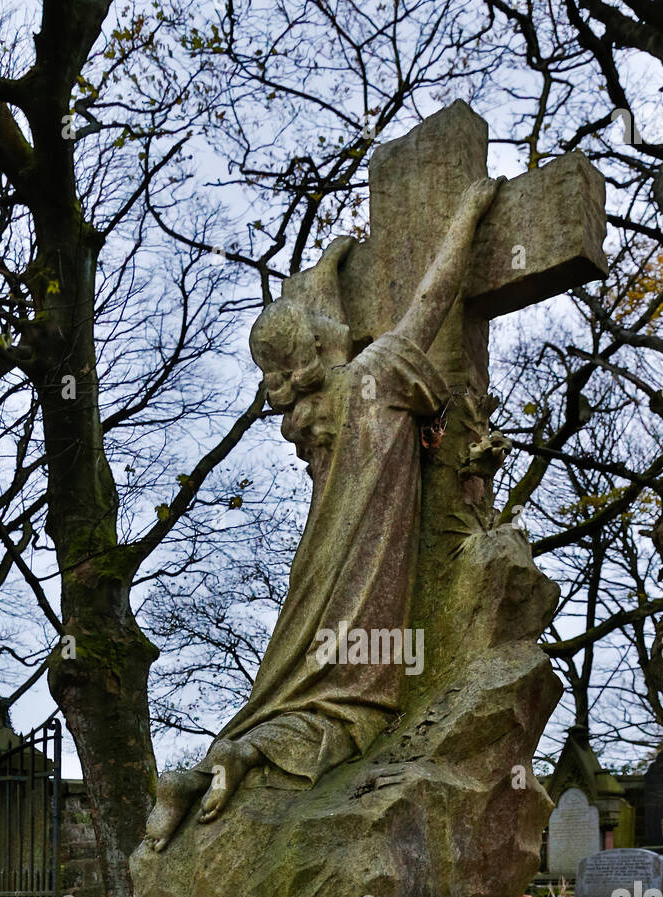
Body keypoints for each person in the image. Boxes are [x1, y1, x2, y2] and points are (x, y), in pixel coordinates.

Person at [145, 176, 503, 852]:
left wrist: (330, 270)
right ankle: (245, 756)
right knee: (348, 705)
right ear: (319, 346)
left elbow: (324, 325)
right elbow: (433, 295)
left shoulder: (315, 415)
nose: (341, 318)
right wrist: (468, 211)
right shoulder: (381, 374)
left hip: (315, 569)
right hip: (366, 571)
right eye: (328, 318)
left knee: (287, 686)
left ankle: (206, 769)